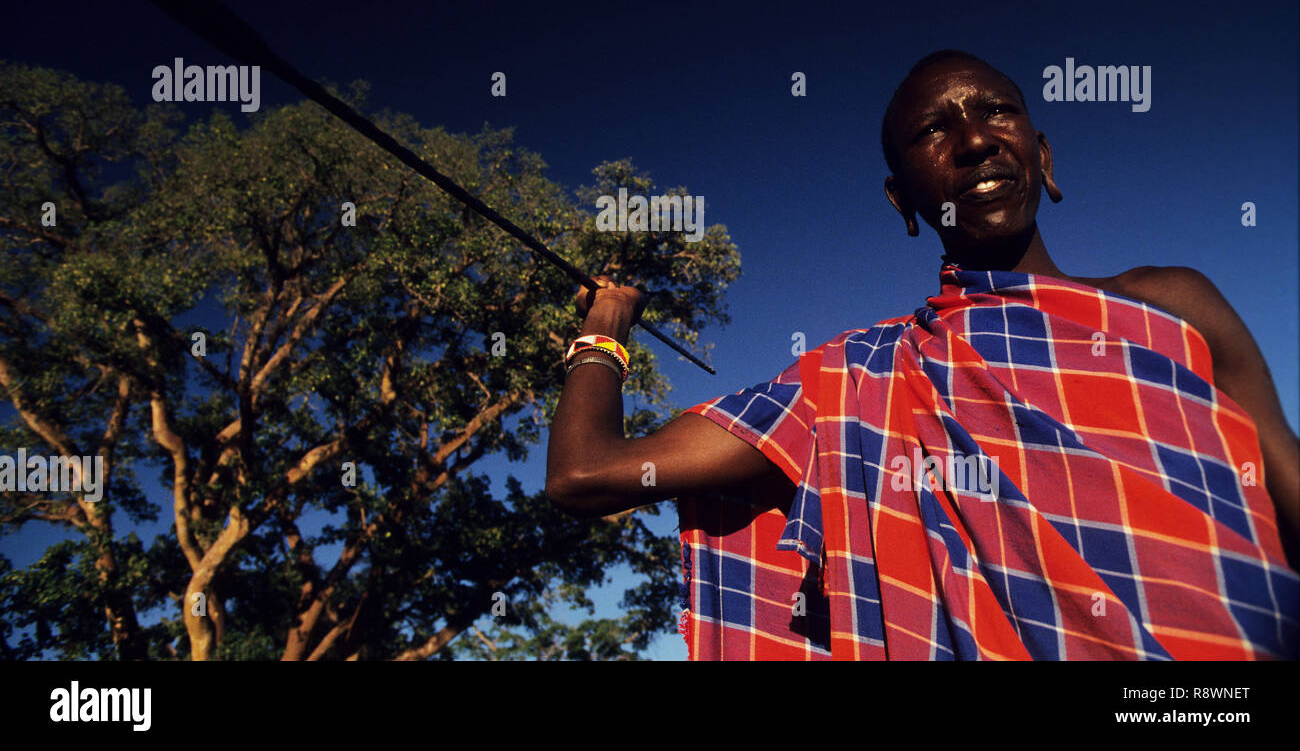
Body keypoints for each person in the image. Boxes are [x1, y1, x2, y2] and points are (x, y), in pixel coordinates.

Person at [545, 50, 1300, 659]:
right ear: (902, 200)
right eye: (933, 132)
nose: (974, 140)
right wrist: (607, 325)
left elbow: (1289, 494)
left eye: (996, 110)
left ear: (1041, 154)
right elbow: (585, 473)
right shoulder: (851, 384)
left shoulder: (1172, 303)